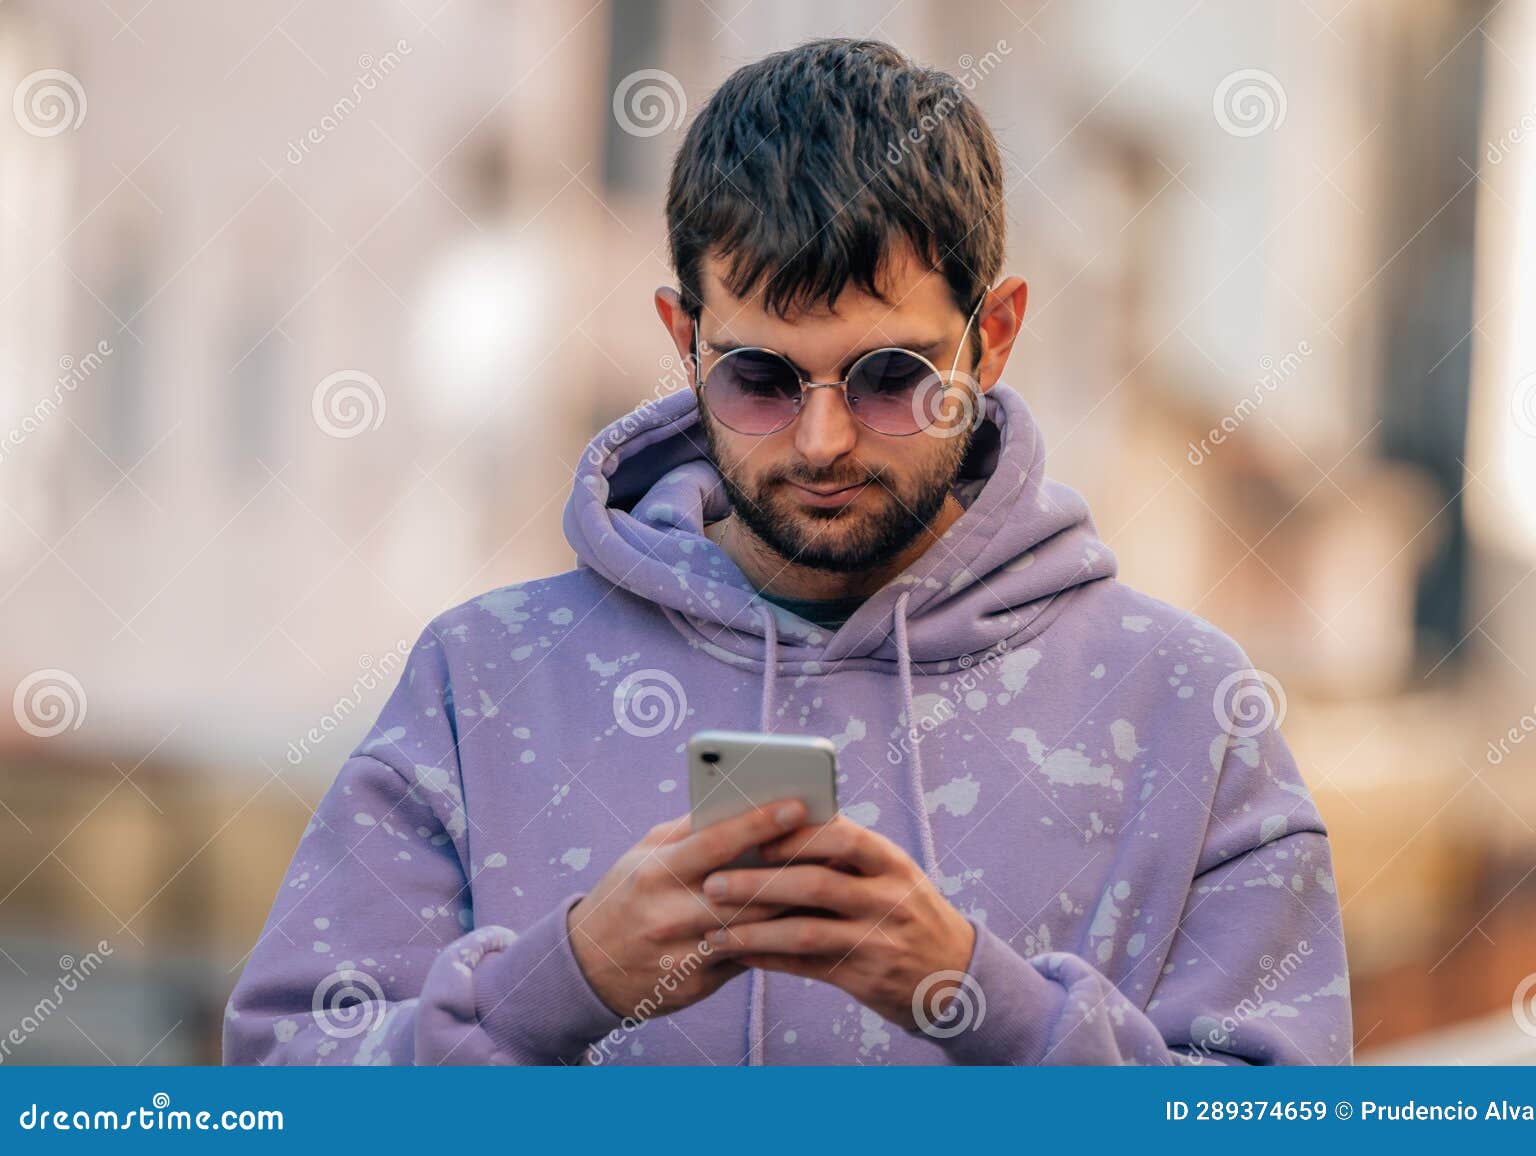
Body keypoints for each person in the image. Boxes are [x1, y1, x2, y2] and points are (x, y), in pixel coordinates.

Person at [224, 37, 1352, 1066]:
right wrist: (561, 983)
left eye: (891, 380)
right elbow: (278, 1090)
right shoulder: (483, 681)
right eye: (760, 380)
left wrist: (984, 1000)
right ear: (682, 340)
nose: (822, 442)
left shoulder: (1186, 712)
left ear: (993, 336)